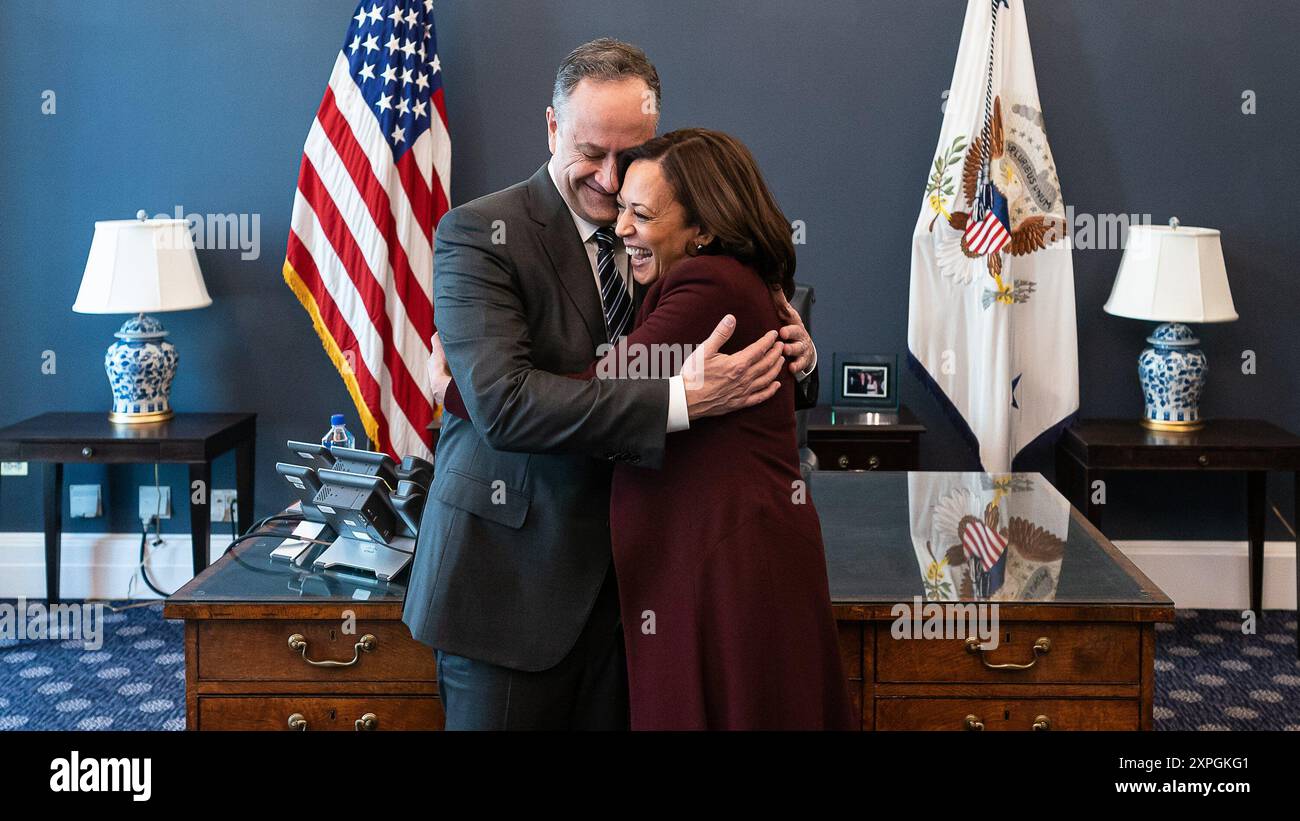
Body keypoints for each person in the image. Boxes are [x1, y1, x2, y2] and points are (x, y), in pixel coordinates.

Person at [402, 39, 819, 730]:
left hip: (642, 596)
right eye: (591, 151)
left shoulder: (683, 233)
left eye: (631, 153)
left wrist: (798, 362)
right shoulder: (480, 235)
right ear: (551, 128)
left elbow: (742, 347)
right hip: (512, 592)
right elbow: (506, 407)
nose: (610, 176)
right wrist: (677, 398)